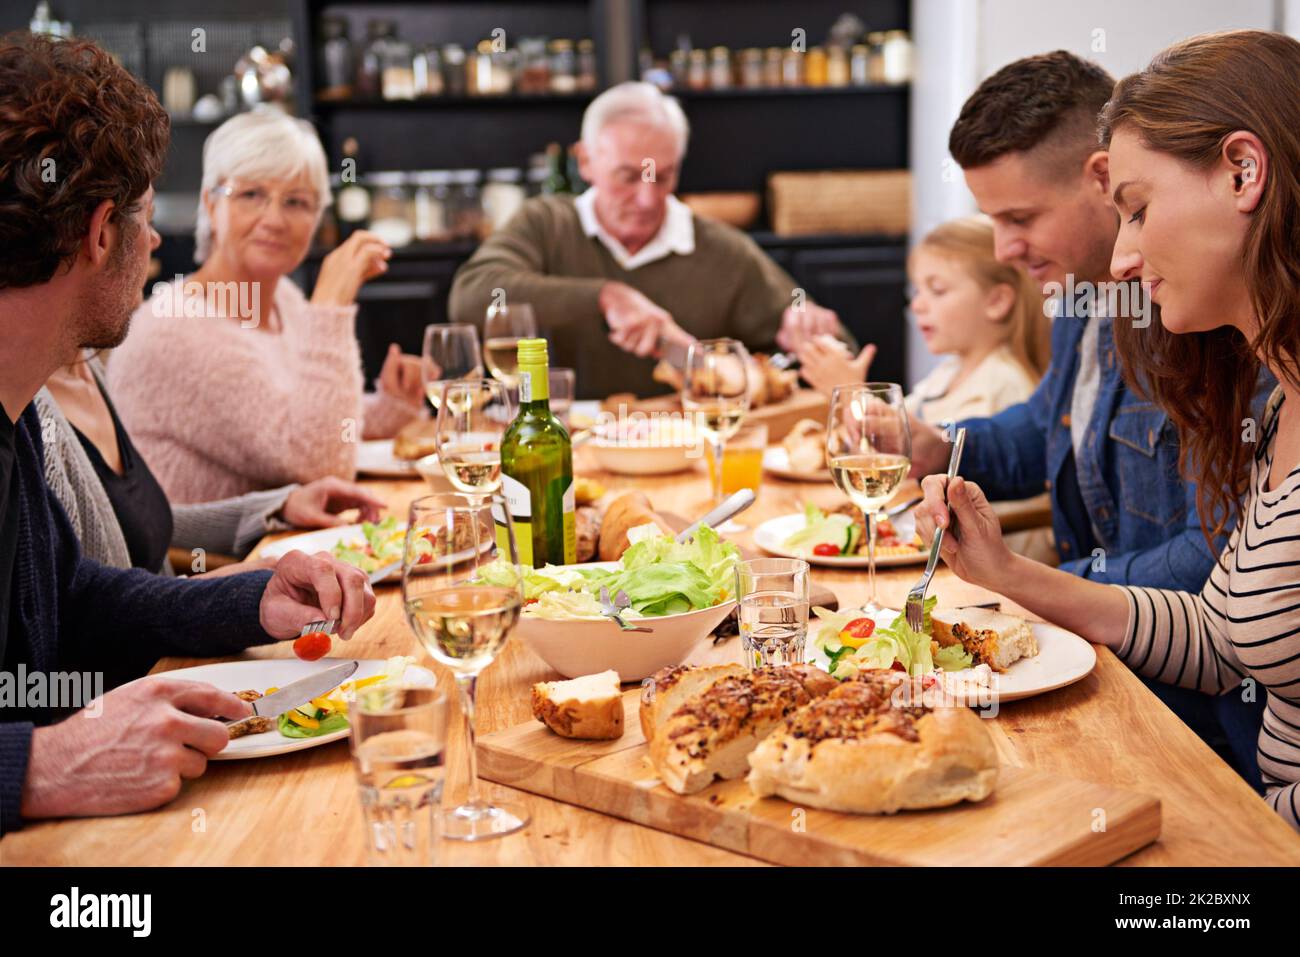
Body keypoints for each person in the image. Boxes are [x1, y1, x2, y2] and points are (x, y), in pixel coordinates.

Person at [915, 29, 1300, 831]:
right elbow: (1223, 636)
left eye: (1137, 210)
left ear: (1243, 171)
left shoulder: (1232, 363)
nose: (1125, 259)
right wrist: (1007, 574)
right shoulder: (1277, 408)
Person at [0, 32, 374, 834]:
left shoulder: (21, 409)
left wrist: (250, 598)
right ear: (102, 231)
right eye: (143, 216)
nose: (157, 243)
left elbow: (78, 595)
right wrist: (36, 764)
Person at [448, 81, 848, 398]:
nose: (648, 198)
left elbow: (840, 354)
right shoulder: (546, 224)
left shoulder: (722, 251)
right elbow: (468, 298)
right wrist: (605, 297)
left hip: (684, 459)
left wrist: (809, 331)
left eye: (665, 175)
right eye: (628, 176)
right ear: (585, 161)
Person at [107, 108, 426, 504]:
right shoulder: (177, 328)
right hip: (212, 564)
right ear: (211, 205)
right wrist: (329, 308)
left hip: (282, 550)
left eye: (296, 202)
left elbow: (307, 419)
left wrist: (394, 404)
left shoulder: (283, 301)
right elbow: (322, 463)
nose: (274, 219)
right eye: (251, 194)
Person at [38, 351, 388, 575]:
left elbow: (141, 525)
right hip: (149, 674)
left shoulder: (86, 367)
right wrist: (223, 593)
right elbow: (92, 617)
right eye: (147, 229)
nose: (156, 242)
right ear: (98, 239)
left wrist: (279, 507)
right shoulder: (35, 410)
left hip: (171, 654)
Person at [798, 215, 1050, 422]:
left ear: (997, 301)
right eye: (917, 291)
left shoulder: (1004, 385)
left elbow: (902, 451)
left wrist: (851, 394)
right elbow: (900, 429)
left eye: (938, 290)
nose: (917, 305)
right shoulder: (949, 373)